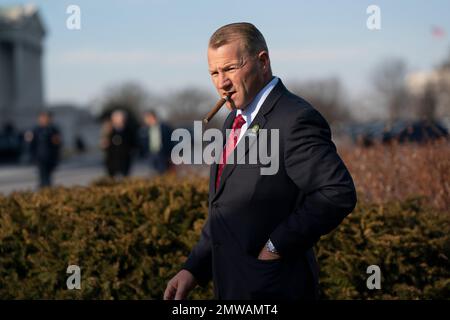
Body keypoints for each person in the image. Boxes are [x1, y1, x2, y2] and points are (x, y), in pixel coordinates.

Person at [164, 22, 357, 300]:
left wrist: (276, 246)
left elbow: (337, 192)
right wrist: (193, 269)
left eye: (230, 68)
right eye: (214, 73)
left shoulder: (294, 119)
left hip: (275, 289)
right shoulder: (232, 120)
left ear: (263, 61)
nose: (222, 82)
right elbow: (226, 208)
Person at [27, 110, 62, 188]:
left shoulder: (53, 130)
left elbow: (58, 144)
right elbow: (31, 144)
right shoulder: (35, 130)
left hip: (51, 157)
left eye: (47, 118)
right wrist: (32, 157)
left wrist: (57, 156)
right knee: (42, 177)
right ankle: (43, 191)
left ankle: (47, 191)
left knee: (48, 177)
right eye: (43, 118)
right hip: (39, 157)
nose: (45, 119)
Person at [101, 110, 136, 178]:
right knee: (111, 179)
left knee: (125, 179)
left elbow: (133, 144)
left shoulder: (129, 130)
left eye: (122, 118)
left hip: (125, 160)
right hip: (112, 160)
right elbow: (103, 145)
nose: (120, 120)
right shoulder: (108, 130)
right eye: (117, 118)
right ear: (113, 119)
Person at [140, 110, 173, 175]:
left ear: (152, 117)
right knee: (151, 173)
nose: (146, 120)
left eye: (147, 118)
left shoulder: (165, 128)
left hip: (162, 154)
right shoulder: (144, 129)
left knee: (163, 173)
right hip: (149, 155)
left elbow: (170, 141)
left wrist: (170, 154)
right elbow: (142, 143)